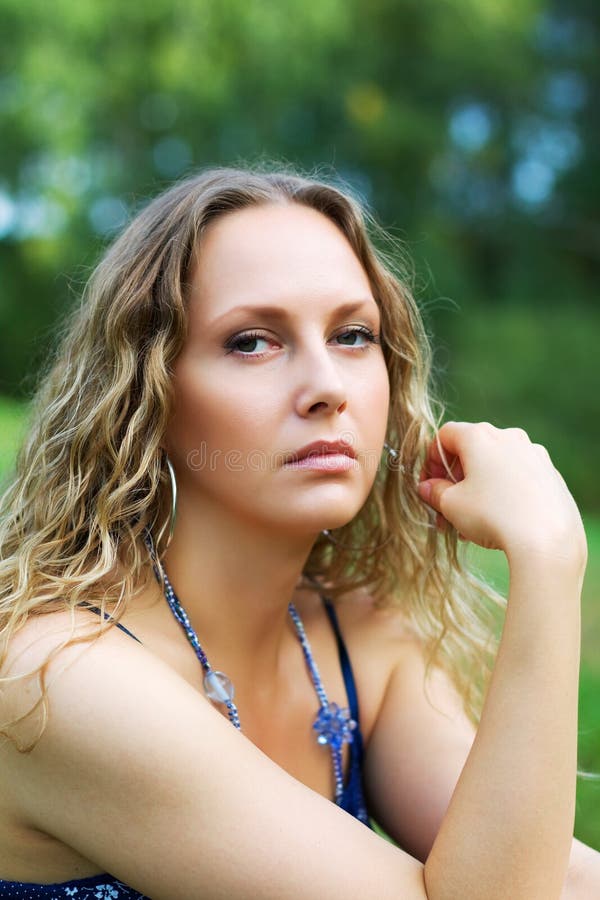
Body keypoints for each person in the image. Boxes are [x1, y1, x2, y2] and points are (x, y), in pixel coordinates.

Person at [0, 164, 597, 900]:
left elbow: (553, 876)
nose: (328, 388)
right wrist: (547, 564)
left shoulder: (360, 642)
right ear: (145, 394)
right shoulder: (57, 678)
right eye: (252, 342)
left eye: (353, 335)